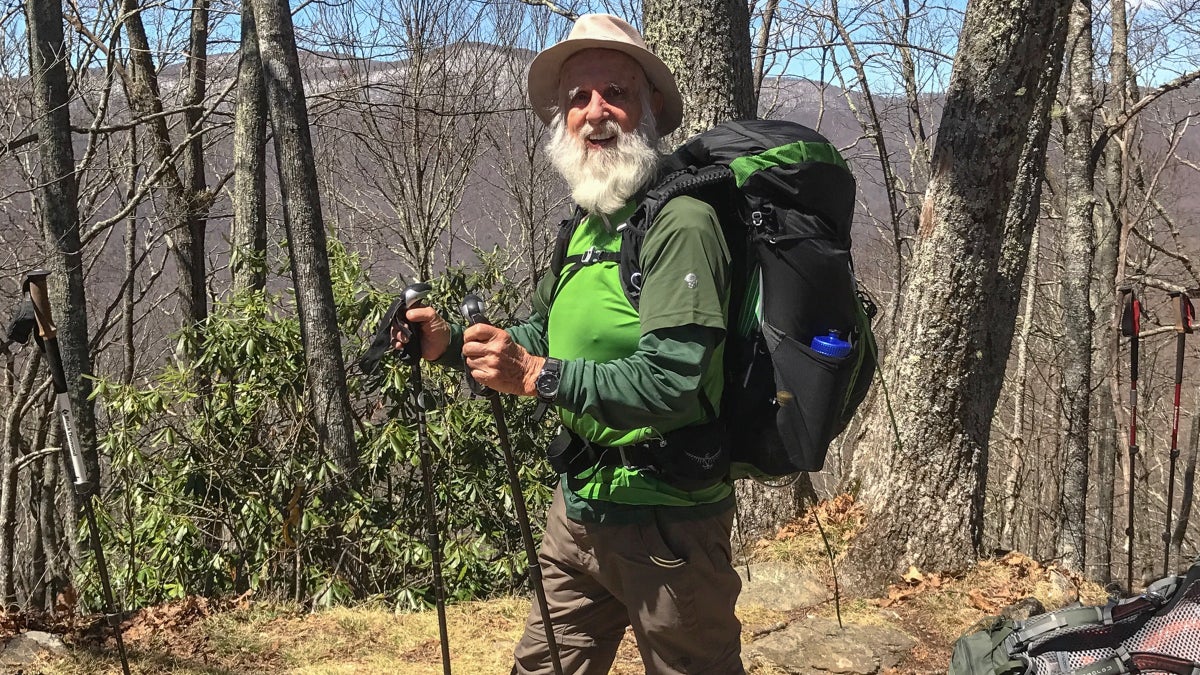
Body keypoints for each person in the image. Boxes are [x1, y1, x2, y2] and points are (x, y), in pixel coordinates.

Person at [398, 13, 743, 674]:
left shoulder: (683, 222)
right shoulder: (586, 224)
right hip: (580, 511)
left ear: (651, 108)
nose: (596, 111)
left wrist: (538, 373)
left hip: (669, 521)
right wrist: (448, 344)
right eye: (578, 98)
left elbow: (673, 380)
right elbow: (541, 335)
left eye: (615, 91)